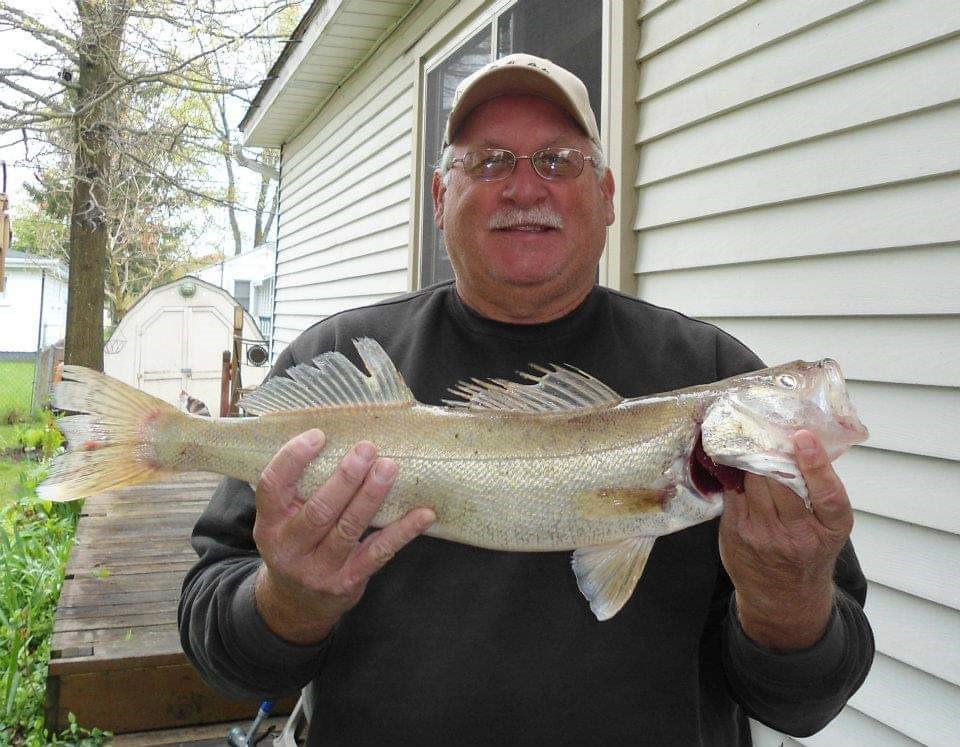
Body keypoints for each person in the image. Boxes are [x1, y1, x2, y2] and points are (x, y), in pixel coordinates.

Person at [179, 54, 873, 745]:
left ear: (606, 196)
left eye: (557, 161)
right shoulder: (342, 359)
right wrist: (288, 602)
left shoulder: (709, 364)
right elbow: (224, 656)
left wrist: (788, 600)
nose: (522, 187)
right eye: (487, 161)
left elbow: (804, 705)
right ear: (439, 197)